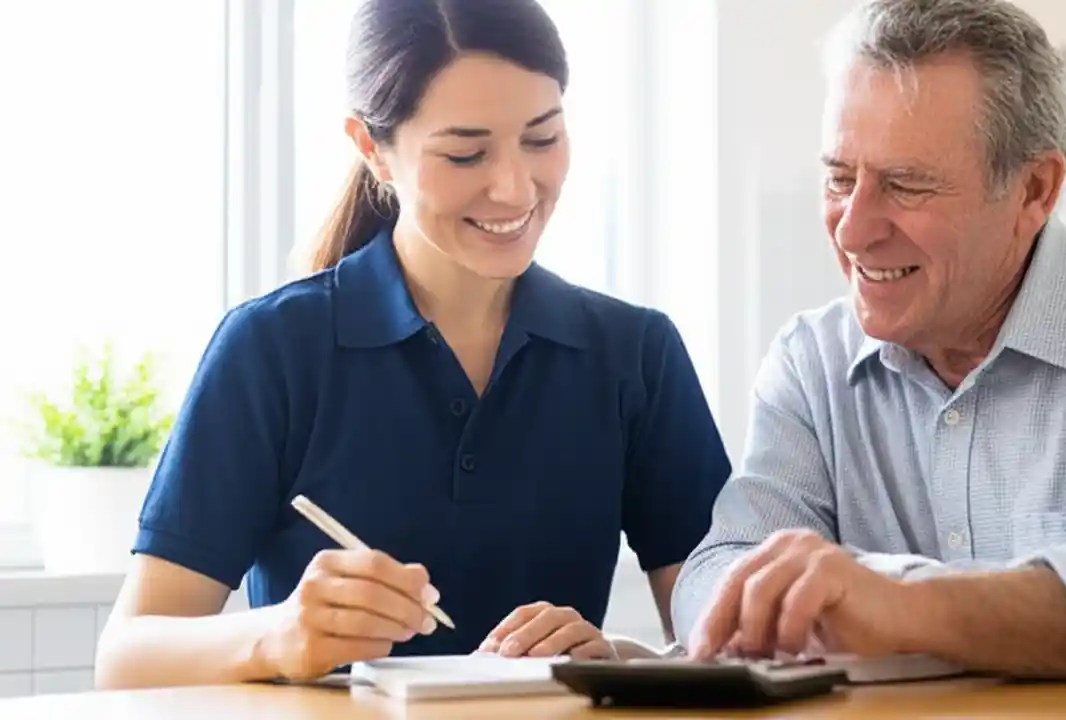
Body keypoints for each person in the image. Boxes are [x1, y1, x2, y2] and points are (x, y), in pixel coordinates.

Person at [95, 0, 729, 688]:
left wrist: (618, 657)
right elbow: (125, 660)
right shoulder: (271, 350)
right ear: (371, 148)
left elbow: (726, 649)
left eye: (542, 138)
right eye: (465, 153)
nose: (515, 187)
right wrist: (277, 637)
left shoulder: (637, 355)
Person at [672, 0, 1066, 679]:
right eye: (840, 179)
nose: (852, 230)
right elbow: (714, 579)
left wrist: (909, 606)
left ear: (1035, 190)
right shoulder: (810, 366)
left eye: (906, 185)